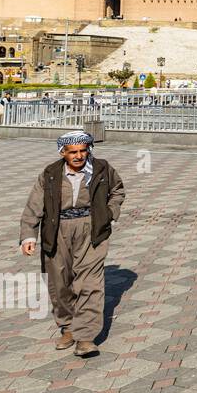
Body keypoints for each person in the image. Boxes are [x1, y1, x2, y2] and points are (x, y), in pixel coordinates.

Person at [19, 130, 125, 358]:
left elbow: (117, 190)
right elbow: (34, 205)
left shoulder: (102, 168)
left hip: (91, 229)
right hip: (57, 230)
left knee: (89, 283)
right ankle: (67, 327)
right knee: (60, 282)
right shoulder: (50, 173)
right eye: (73, 152)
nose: (79, 156)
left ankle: (85, 337)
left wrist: (110, 212)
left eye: (83, 151)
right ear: (63, 152)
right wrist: (29, 235)